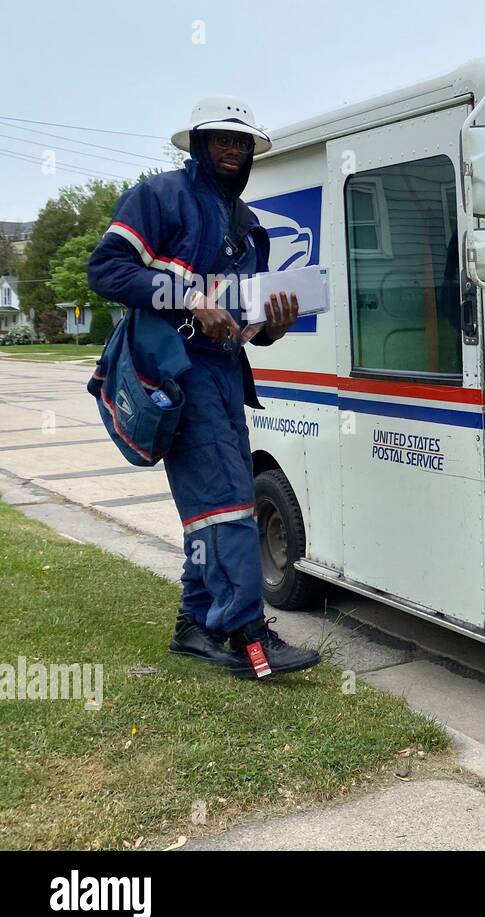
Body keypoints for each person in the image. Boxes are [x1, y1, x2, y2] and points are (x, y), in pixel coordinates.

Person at [88, 96, 320, 679]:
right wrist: (189, 298)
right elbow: (108, 270)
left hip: (223, 376)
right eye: (221, 139)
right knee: (226, 505)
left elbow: (247, 324)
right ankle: (247, 636)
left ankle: (195, 626)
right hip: (173, 372)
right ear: (198, 144)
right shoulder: (161, 196)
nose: (232, 151)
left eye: (241, 143)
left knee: (220, 500)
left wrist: (272, 326)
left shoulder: (250, 229)